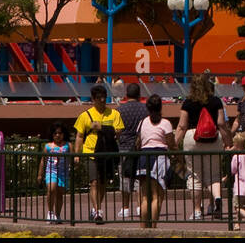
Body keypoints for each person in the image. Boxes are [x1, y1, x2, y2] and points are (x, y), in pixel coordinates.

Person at [174, 72, 227, 219]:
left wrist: (173, 144)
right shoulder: (216, 101)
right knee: (214, 175)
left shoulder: (188, 102)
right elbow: (221, 123)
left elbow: (182, 126)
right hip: (213, 138)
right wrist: (228, 141)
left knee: (195, 176)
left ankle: (197, 211)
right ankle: (217, 199)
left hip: (193, 138)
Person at [73, 84, 124, 224]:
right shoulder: (85, 116)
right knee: (94, 182)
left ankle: (96, 207)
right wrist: (77, 154)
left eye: (104, 97)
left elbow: (119, 131)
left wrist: (103, 128)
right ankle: (98, 210)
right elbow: (79, 135)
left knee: (102, 183)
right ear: (93, 99)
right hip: (91, 152)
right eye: (99, 98)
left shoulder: (114, 114)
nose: (102, 100)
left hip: (107, 153)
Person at [135, 93, 174, 229]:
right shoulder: (166, 123)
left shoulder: (142, 122)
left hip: (144, 157)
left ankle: (143, 228)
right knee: (157, 196)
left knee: (145, 196)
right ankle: (153, 228)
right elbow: (171, 143)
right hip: (159, 158)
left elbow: (138, 142)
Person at [115, 82, 146, 220]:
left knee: (125, 178)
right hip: (140, 147)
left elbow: (117, 130)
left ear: (126, 95)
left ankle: (125, 208)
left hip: (124, 147)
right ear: (139, 95)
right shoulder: (145, 109)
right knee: (139, 178)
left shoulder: (120, 110)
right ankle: (140, 206)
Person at [39, 122, 69, 224]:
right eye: (55, 133)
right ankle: (50, 212)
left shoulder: (68, 145)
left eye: (60, 133)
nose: (57, 135)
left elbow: (73, 157)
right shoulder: (48, 146)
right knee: (51, 189)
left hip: (63, 172)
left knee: (60, 194)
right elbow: (43, 160)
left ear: (63, 134)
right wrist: (40, 174)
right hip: (51, 171)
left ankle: (57, 214)